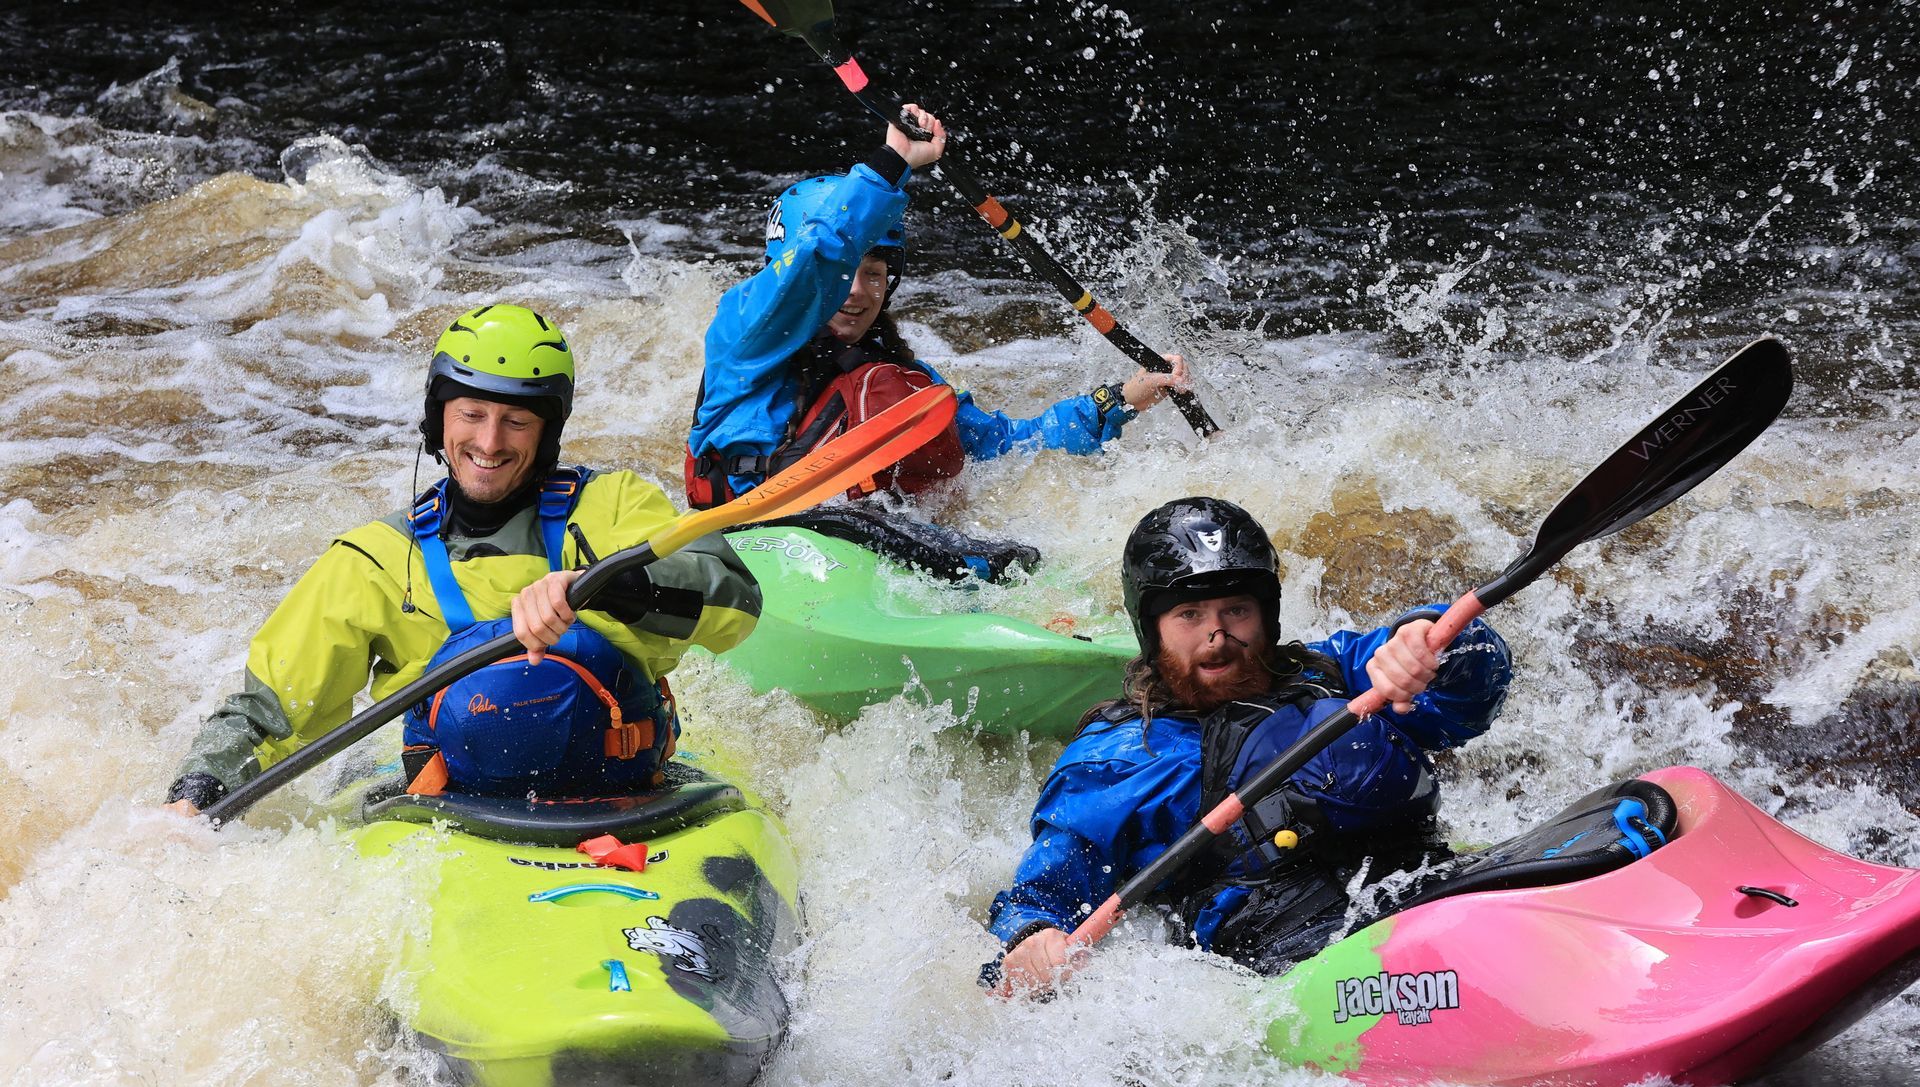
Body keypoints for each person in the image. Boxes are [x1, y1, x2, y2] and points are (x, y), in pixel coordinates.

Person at [165, 303, 762, 815]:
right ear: (438, 419)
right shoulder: (375, 560)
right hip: (447, 809)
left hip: (626, 795)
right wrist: (197, 793)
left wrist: (600, 585)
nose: (490, 442)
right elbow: (271, 711)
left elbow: (734, 602)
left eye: (516, 421)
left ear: (547, 432)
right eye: (471, 414)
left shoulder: (613, 508)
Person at [987, 496, 1513, 992]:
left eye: (1236, 610)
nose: (1216, 634)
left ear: (1266, 616)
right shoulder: (1120, 759)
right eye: (1189, 616)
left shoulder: (1337, 672)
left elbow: (1470, 689)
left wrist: (1433, 644)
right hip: (1299, 963)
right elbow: (1044, 895)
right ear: (1154, 632)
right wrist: (1030, 938)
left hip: (1429, 889)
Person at [684, 105, 1192, 537]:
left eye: (875, 273)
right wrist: (892, 164)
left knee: (902, 403)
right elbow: (820, 253)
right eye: (845, 274)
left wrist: (1119, 401)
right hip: (751, 542)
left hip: (858, 548)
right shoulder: (743, 333)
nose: (858, 292)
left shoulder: (905, 383)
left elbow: (1008, 446)